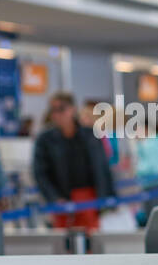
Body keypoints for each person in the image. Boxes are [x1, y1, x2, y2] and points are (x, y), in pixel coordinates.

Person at [32, 91, 117, 230]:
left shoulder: (90, 135)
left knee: (91, 240)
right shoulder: (45, 140)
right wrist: (54, 197)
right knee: (63, 242)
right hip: (62, 198)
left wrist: (108, 197)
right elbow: (40, 172)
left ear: (73, 109)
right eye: (53, 110)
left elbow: (102, 168)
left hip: (89, 197)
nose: (57, 114)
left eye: (61, 109)